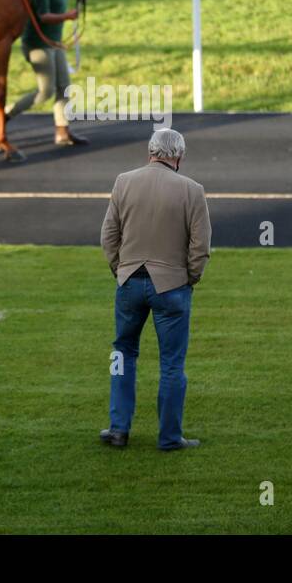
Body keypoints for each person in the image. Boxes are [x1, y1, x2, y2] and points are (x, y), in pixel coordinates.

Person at [99, 128, 212, 451]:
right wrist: (189, 277)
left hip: (129, 281)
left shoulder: (124, 181)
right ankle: (169, 437)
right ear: (178, 156)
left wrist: (120, 269)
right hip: (172, 287)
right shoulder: (192, 190)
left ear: (150, 152)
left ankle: (118, 429)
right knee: (172, 364)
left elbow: (109, 236)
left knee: (123, 354)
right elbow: (200, 245)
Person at [6, 0, 88, 146]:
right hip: (38, 44)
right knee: (46, 92)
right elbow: (43, 16)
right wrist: (67, 16)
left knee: (64, 87)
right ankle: (4, 114)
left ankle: (63, 133)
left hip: (53, 43)